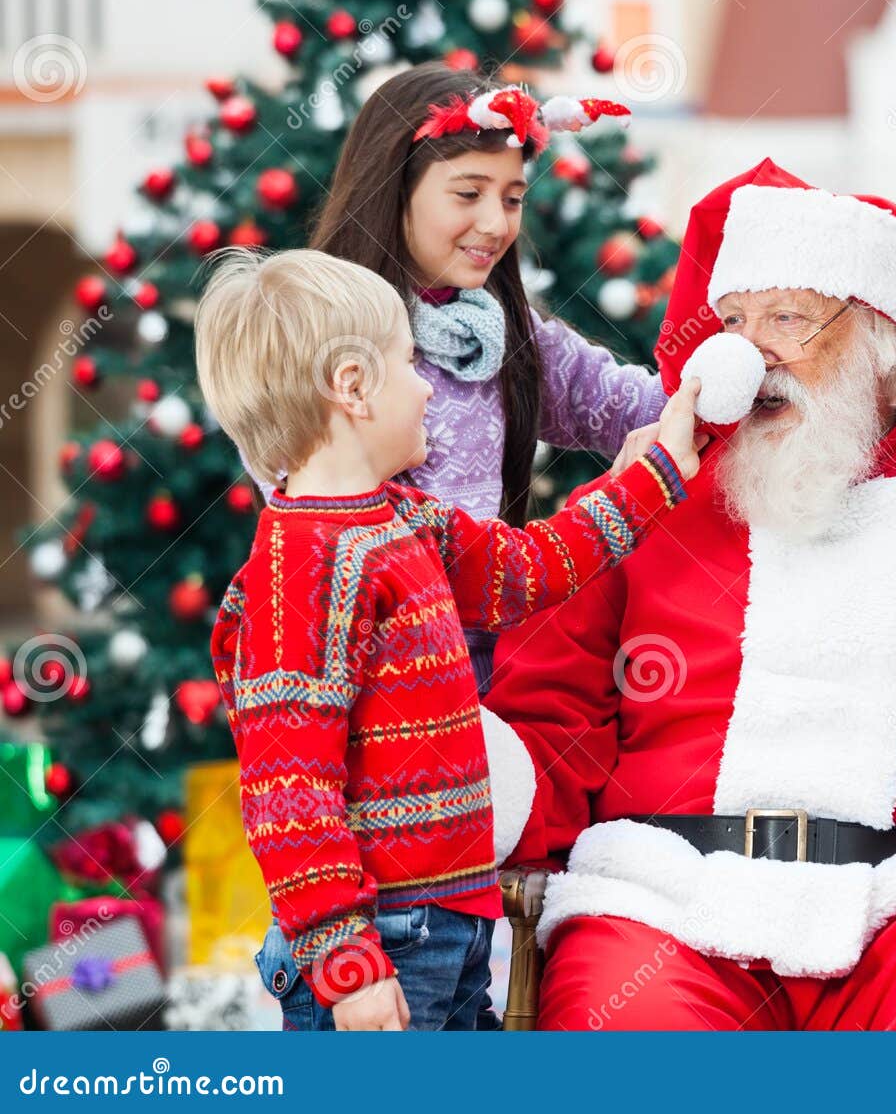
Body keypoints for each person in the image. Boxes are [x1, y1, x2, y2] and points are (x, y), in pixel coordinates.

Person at [486, 159, 896, 1030]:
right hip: (666, 896)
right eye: (732, 323)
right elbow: (548, 718)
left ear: (879, 334)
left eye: (788, 319)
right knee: (627, 1020)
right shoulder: (646, 498)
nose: (747, 353)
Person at [195, 248, 700, 1030]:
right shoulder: (300, 571)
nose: (429, 385)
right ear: (353, 388)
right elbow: (290, 793)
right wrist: (346, 963)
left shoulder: (408, 520)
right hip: (382, 940)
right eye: (408, 363)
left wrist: (654, 472)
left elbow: (532, 568)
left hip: (453, 919)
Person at [306, 62, 667, 693]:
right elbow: (323, 520)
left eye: (513, 198)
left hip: (498, 662)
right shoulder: (316, 335)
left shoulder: (507, 332)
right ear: (392, 189)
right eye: (468, 194)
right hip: (374, 666)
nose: (497, 224)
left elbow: (627, 404)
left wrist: (744, 374)